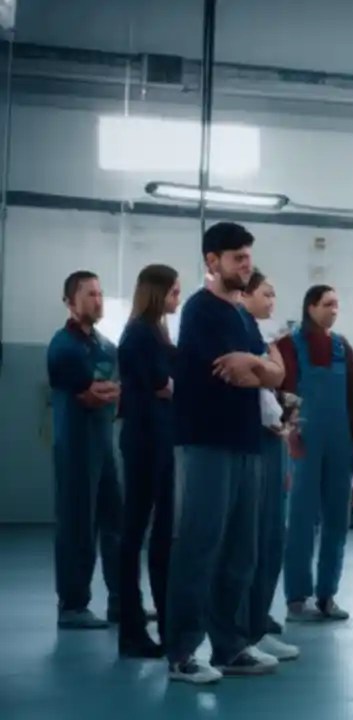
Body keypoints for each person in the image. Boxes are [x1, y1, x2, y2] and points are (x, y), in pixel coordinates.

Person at [167, 222, 286, 684]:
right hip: (206, 443)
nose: (246, 264)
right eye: (237, 257)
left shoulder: (242, 316)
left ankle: (230, 644)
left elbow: (271, 374)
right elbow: (238, 376)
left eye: (248, 256)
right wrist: (260, 368)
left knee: (241, 550)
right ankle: (181, 652)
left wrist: (256, 363)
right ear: (212, 261)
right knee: (199, 546)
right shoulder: (201, 311)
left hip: (245, 443)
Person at [276, 285, 353, 623]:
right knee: (299, 519)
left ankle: (328, 594)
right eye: (327, 304)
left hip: (340, 441)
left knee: (337, 521)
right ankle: (297, 597)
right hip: (304, 439)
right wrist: (289, 431)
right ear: (310, 307)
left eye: (337, 305)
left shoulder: (343, 347)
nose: (334, 310)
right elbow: (281, 393)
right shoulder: (289, 345)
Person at [46, 270, 122, 630]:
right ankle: (73, 605)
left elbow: (114, 391)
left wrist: (107, 391)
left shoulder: (106, 346)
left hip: (104, 448)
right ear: (70, 302)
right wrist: (105, 391)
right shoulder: (63, 347)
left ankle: (121, 600)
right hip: (75, 448)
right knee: (77, 524)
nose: (98, 299)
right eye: (90, 294)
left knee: (114, 522)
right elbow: (91, 396)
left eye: (100, 293)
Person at [116, 264, 180, 657]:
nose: (177, 299)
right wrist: (171, 385)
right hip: (145, 442)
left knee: (156, 533)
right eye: (174, 292)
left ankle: (161, 620)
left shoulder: (155, 332)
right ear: (158, 292)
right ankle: (133, 627)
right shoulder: (140, 334)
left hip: (158, 439)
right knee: (139, 533)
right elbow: (164, 385)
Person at [239, 269, 301, 662]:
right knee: (253, 540)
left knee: (272, 539)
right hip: (255, 441)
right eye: (266, 292)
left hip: (272, 436)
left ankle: (257, 624)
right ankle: (243, 629)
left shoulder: (262, 336)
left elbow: (273, 381)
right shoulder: (244, 333)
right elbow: (264, 379)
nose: (272, 300)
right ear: (245, 295)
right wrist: (273, 365)